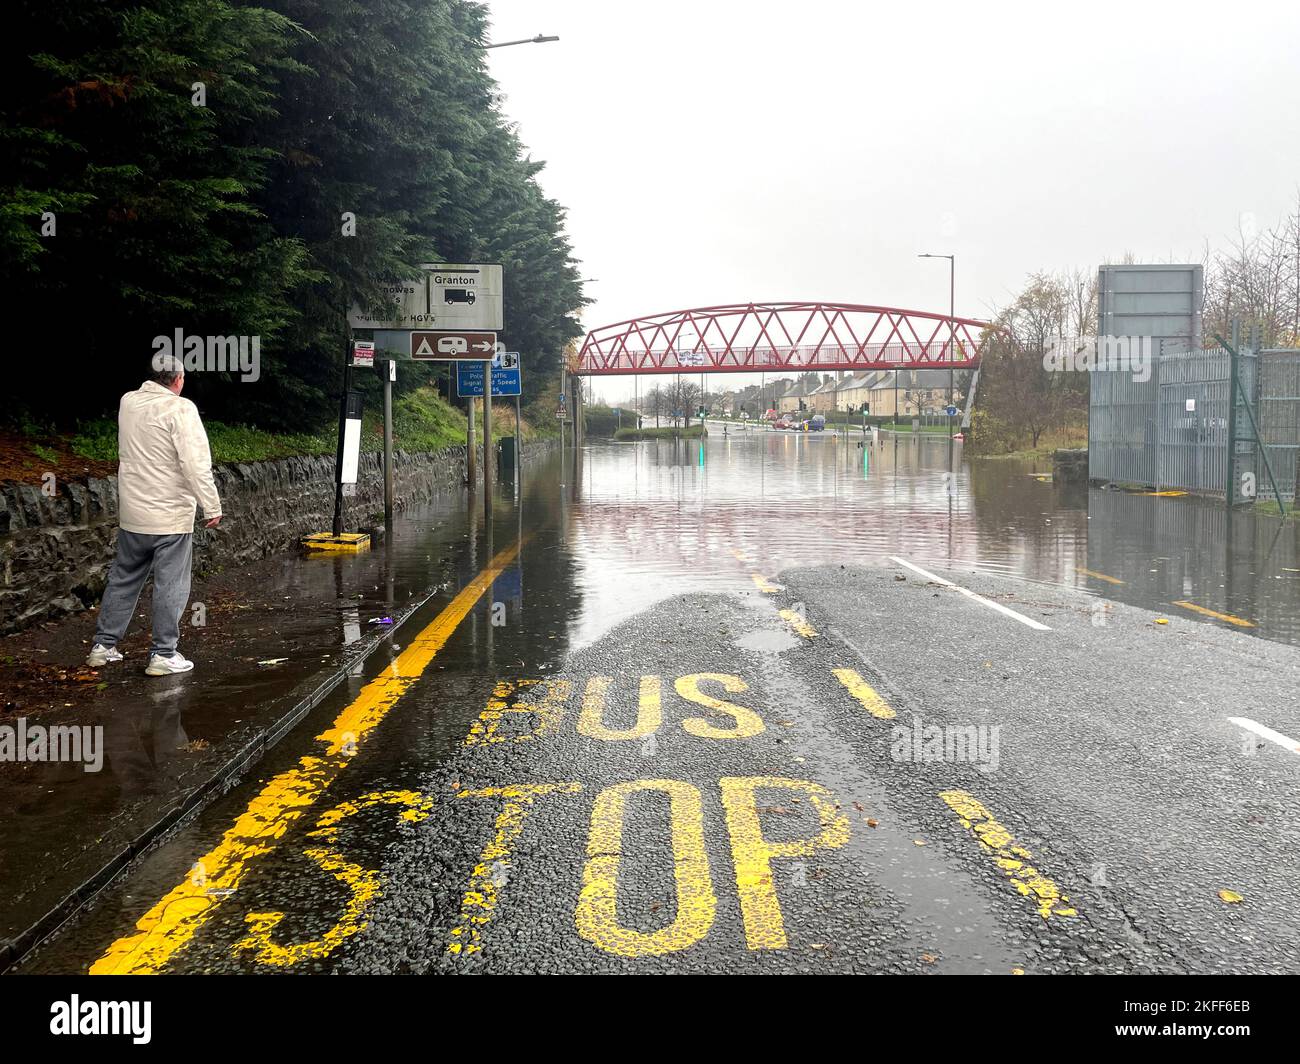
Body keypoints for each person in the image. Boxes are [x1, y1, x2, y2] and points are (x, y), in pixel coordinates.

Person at [86, 354, 222, 675]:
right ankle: (163, 653)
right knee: (170, 583)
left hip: (134, 513)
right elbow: (194, 464)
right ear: (177, 380)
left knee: (123, 578)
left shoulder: (128, 402)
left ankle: (103, 646)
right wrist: (211, 505)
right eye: (183, 378)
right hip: (170, 516)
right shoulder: (181, 408)